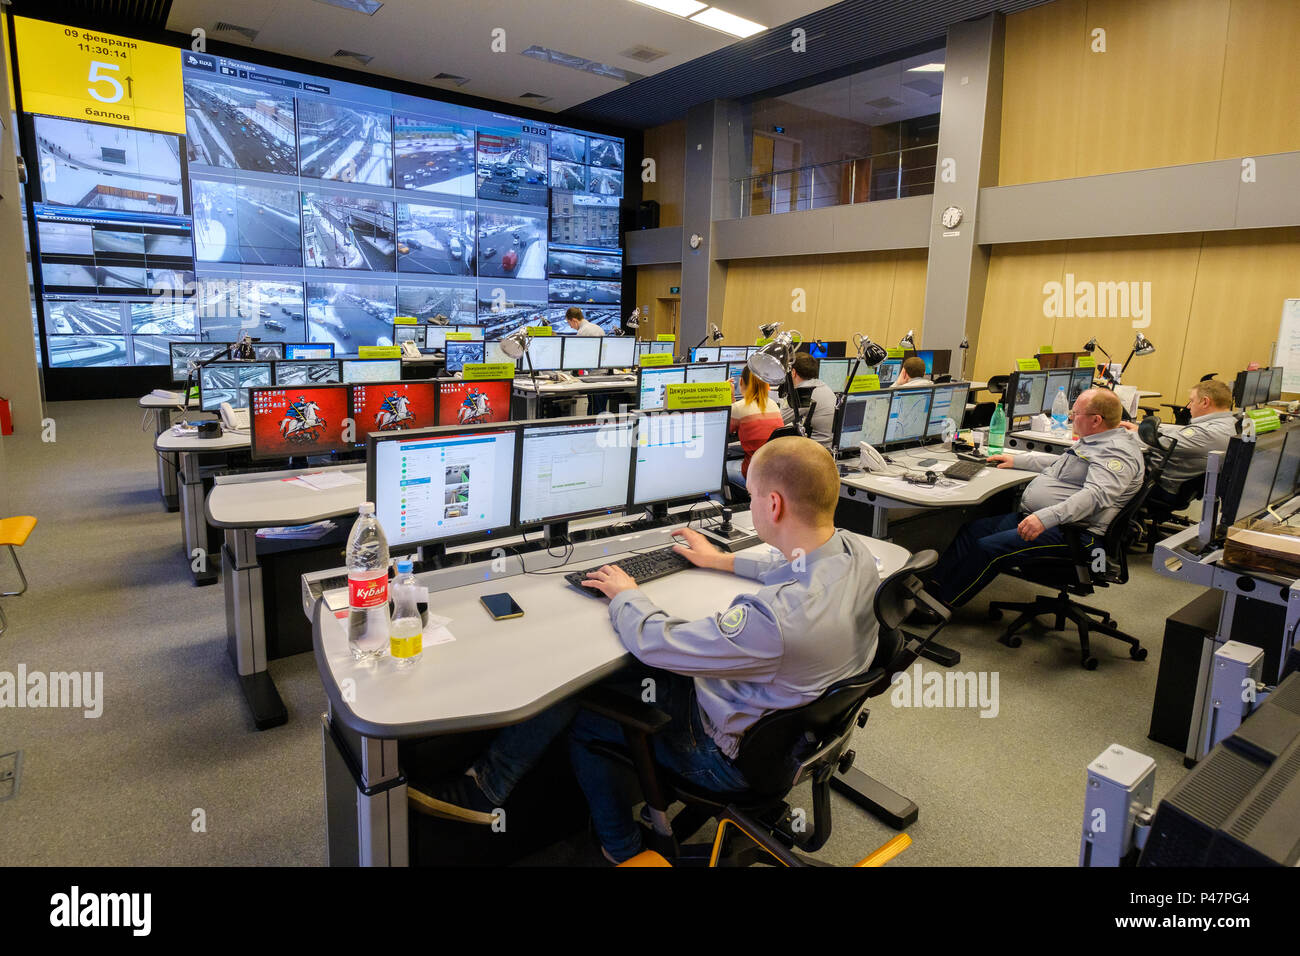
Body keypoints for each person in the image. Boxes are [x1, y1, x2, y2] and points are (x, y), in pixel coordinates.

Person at [423, 437, 882, 863]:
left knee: (585, 709)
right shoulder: (853, 553)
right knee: (618, 679)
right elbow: (788, 569)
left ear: (774, 504)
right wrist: (720, 559)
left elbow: (657, 642)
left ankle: (620, 849)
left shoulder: (775, 623)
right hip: (787, 734)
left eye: (752, 492)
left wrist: (625, 592)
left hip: (725, 756)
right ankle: (489, 786)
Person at [924, 388, 1144, 611]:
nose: (1070, 418)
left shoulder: (1116, 452)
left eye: (1075, 413)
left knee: (987, 548)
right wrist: (1018, 461)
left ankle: (941, 605)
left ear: (1096, 420)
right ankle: (932, 589)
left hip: (1077, 533)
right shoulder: (1097, 439)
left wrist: (1045, 518)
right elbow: (1063, 463)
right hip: (1055, 521)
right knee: (972, 531)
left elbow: (1096, 496)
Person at [1119, 379, 1235, 509]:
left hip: (1160, 485)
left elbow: (1153, 442)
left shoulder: (1207, 432)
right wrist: (1138, 429)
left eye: (1192, 401)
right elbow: (1177, 436)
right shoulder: (1227, 425)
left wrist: (1114, 431)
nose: (1189, 407)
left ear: (1205, 402)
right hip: (1179, 486)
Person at [727, 366, 788, 488]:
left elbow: (724, 430)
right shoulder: (773, 404)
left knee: (720, 469)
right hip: (774, 473)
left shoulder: (739, 407)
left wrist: (729, 396)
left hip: (753, 474)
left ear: (741, 382)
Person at [790, 353, 837, 449]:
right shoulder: (824, 386)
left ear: (793, 372)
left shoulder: (803, 392)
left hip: (814, 452)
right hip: (828, 449)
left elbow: (778, 420)